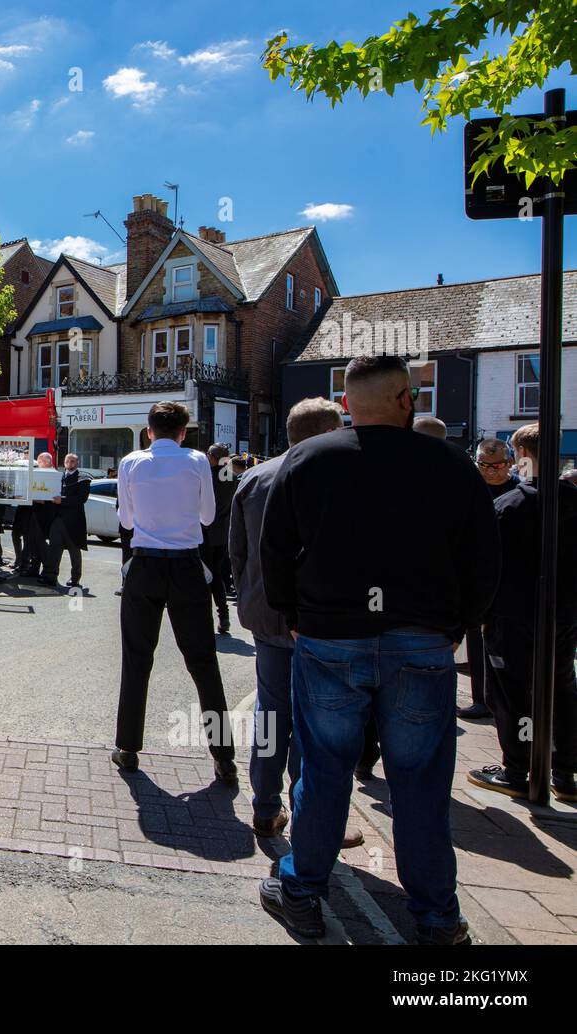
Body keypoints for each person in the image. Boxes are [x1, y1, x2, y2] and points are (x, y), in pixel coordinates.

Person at [258, 355, 499, 945]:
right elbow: (485, 561)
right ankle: (438, 917)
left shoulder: (307, 459)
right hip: (421, 639)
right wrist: (457, 626)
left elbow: (274, 550)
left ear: (347, 402)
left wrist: (295, 618)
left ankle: (302, 893)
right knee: (418, 783)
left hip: (329, 637)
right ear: (402, 400)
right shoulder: (449, 465)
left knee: (324, 772)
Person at [229, 397, 361, 848]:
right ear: (330, 430)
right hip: (324, 620)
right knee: (318, 720)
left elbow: (238, 553)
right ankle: (312, 814)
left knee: (272, 714)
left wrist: (252, 601)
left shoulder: (254, 477)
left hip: (268, 617)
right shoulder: (343, 476)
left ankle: (266, 809)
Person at [114, 401, 237, 786]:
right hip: (185, 565)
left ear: (149, 431)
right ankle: (223, 757)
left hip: (145, 563)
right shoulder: (198, 461)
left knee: (137, 658)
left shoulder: (131, 462)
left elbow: (127, 520)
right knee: (203, 662)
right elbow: (207, 517)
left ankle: (128, 748)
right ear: (184, 433)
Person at [468, 423, 577, 803]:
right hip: (563, 617)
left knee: (513, 693)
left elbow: (485, 567)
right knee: (561, 688)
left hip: (511, 618)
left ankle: (518, 769)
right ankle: (564, 771)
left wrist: (479, 612)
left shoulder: (508, 507)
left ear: (521, 457)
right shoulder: (573, 501)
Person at [459, 438, 521, 721]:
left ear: (508, 462)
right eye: (484, 465)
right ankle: (481, 699)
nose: (490, 470)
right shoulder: (472, 489)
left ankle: (505, 701)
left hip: (510, 577)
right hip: (477, 574)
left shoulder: (518, 490)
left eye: (496, 465)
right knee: (476, 637)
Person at [201, 443, 236, 634]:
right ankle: (223, 615)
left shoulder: (210, 477)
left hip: (206, 532)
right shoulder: (231, 476)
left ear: (215, 457)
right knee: (216, 575)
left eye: (208, 454)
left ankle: (210, 617)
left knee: (207, 576)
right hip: (222, 533)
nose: (206, 457)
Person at [41, 452, 90, 588]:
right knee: (54, 548)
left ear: (77, 463)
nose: (70, 463)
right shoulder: (58, 477)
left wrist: (61, 500)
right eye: (67, 461)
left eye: (73, 461)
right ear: (64, 462)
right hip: (58, 519)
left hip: (74, 521)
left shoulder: (83, 478)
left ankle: (75, 579)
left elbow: (81, 499)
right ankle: (50, 576)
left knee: (74, 550)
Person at [16, 452, 55, 575]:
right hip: (36, 511)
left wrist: (28, 497)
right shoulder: (42, 473)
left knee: (40, 542)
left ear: (47, 462)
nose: (38, 464)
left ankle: (49, 570)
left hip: (45, 513)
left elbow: (47, 497)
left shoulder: (51, 474)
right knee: (33, 541)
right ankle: (34, 568)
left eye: (40, 462)